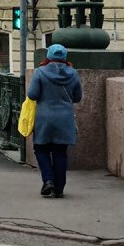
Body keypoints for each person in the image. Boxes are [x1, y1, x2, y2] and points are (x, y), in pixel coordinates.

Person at [27, 43, 83, 197]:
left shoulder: (40, 72)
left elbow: (32, 94)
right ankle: (59, 189)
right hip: (64, 119)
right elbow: (77, 97)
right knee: (60, 152)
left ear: (48, 56)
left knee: (41, 149)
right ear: (65, 57)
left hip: (44, 117)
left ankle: (48, 180)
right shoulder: (73, 73)